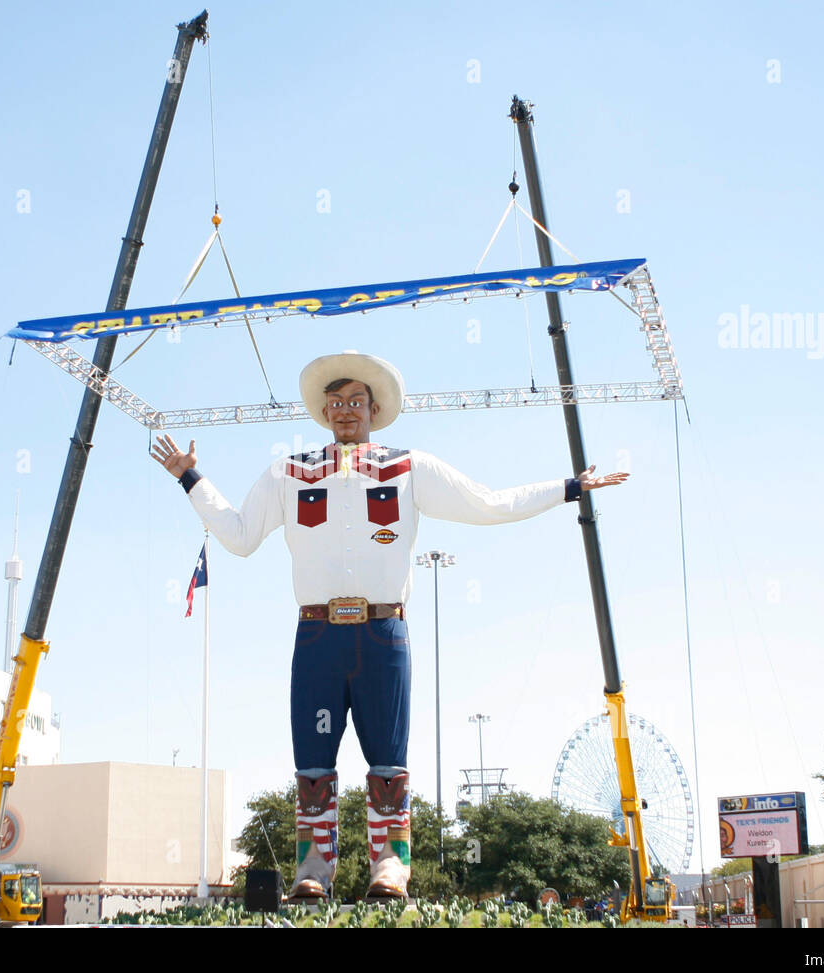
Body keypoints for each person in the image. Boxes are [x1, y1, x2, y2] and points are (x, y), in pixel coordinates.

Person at [150, 351, 628, 900]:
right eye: (335, 402)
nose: (345, 410)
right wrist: (190, 477)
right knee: (312, 764)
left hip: (382, 634)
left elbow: (488, 504)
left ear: (376, 409)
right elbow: (237, 536)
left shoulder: (409, 467)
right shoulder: (291, 470)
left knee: (387, 761)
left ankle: (391, 863)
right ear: (323, 411)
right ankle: (314, 867)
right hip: (318, 635)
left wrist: (569, 487)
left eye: (356, 401)